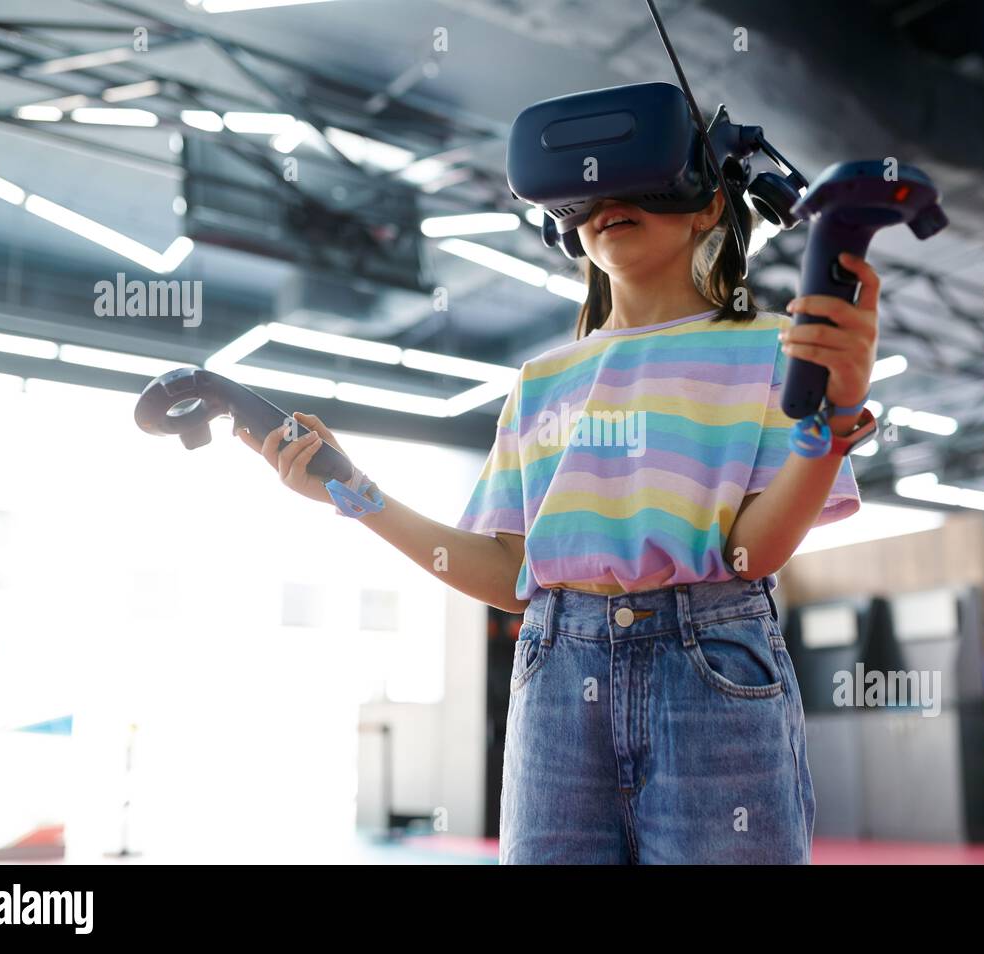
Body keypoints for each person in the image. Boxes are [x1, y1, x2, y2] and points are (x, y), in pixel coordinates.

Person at [241, 187, 879, 864]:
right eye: (586, 189)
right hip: (556, 674)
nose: (608, 197)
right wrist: (354, 492)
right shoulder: (541, 382)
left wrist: (831, 423)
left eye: (640, 179)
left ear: (706, 203)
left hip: (711, 668)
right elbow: (512, 577)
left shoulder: (773, 348)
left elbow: (753, 555)